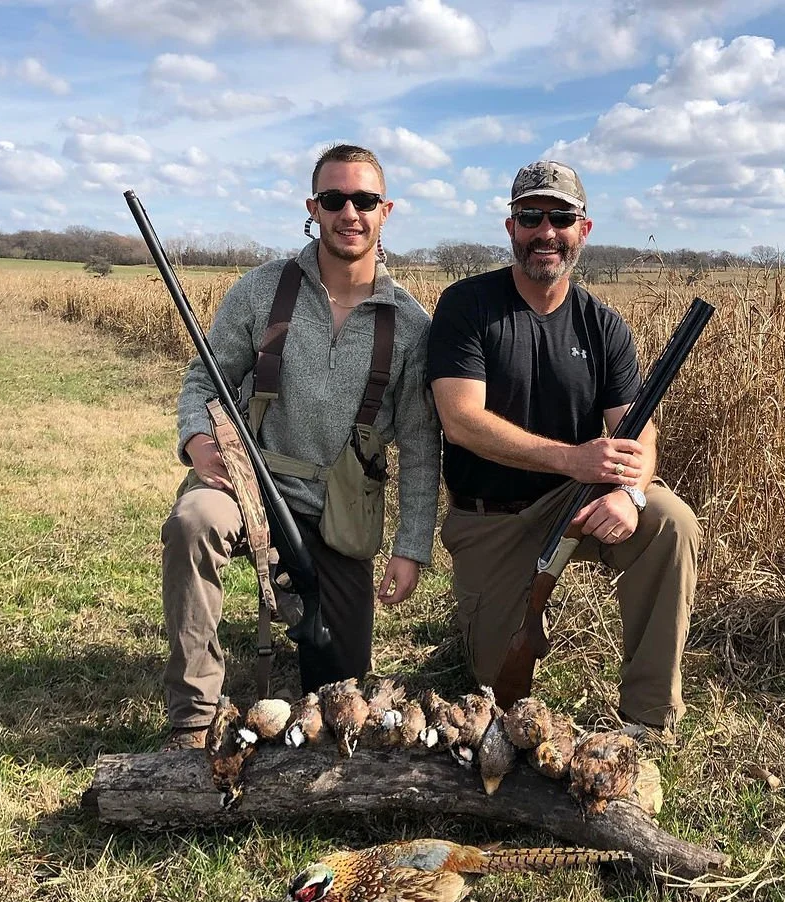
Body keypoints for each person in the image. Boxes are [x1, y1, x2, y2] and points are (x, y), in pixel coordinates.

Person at [161, 143, 440, 750]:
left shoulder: (411, 325)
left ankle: (304, 628)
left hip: (343, 509)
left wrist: (412, 547)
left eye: (364, 200)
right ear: (313, 208)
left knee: (344, 688)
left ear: (385, 211)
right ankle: (192, 714)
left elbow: (421, 443)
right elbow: (203, 378)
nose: (350, 213)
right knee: (193, 521)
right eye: (335, 199)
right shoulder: (262, 291)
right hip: (249, 484)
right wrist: (197, 440)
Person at [427, 160, 700, 737]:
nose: (545, 231)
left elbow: (637, 427)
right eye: (531, 216)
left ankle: (647, 721)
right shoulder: (467, 306)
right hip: (492, 518)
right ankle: (501, 621)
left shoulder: (604, 326)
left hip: (577, 503)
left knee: (670, 521)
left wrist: (630, 492)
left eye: (561, 217)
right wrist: (574, 458)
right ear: (511, 228)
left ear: (584, 229)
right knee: (494, 693)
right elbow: (461, 421)